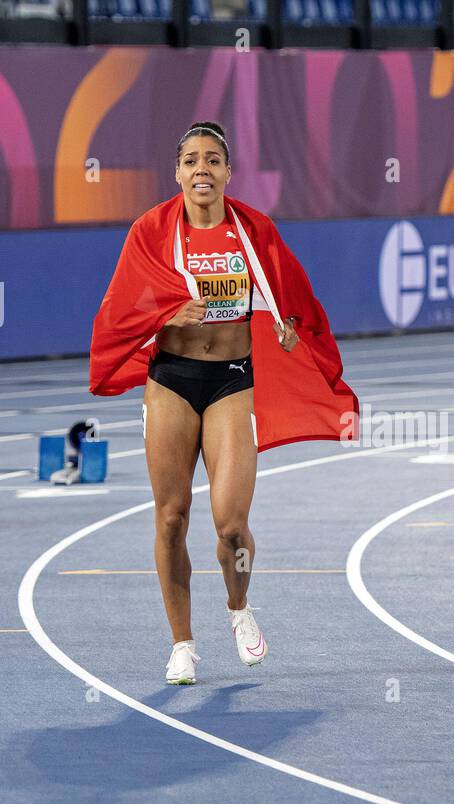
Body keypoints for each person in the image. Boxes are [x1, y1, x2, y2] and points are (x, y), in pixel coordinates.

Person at [88, 120, 358, 686]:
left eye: (213, 160)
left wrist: (290, 328)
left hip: (233, 378)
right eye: (191, 161)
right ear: (178, 172)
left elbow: (292, 293)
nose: (202, 169)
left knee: (231, 525)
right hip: (171, 380)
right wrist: (162, 315)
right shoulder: (152, 230)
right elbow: (119, 309)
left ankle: (239, 607)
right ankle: (182, 643)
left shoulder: (253, 229)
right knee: (170, 518)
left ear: (229, 172)